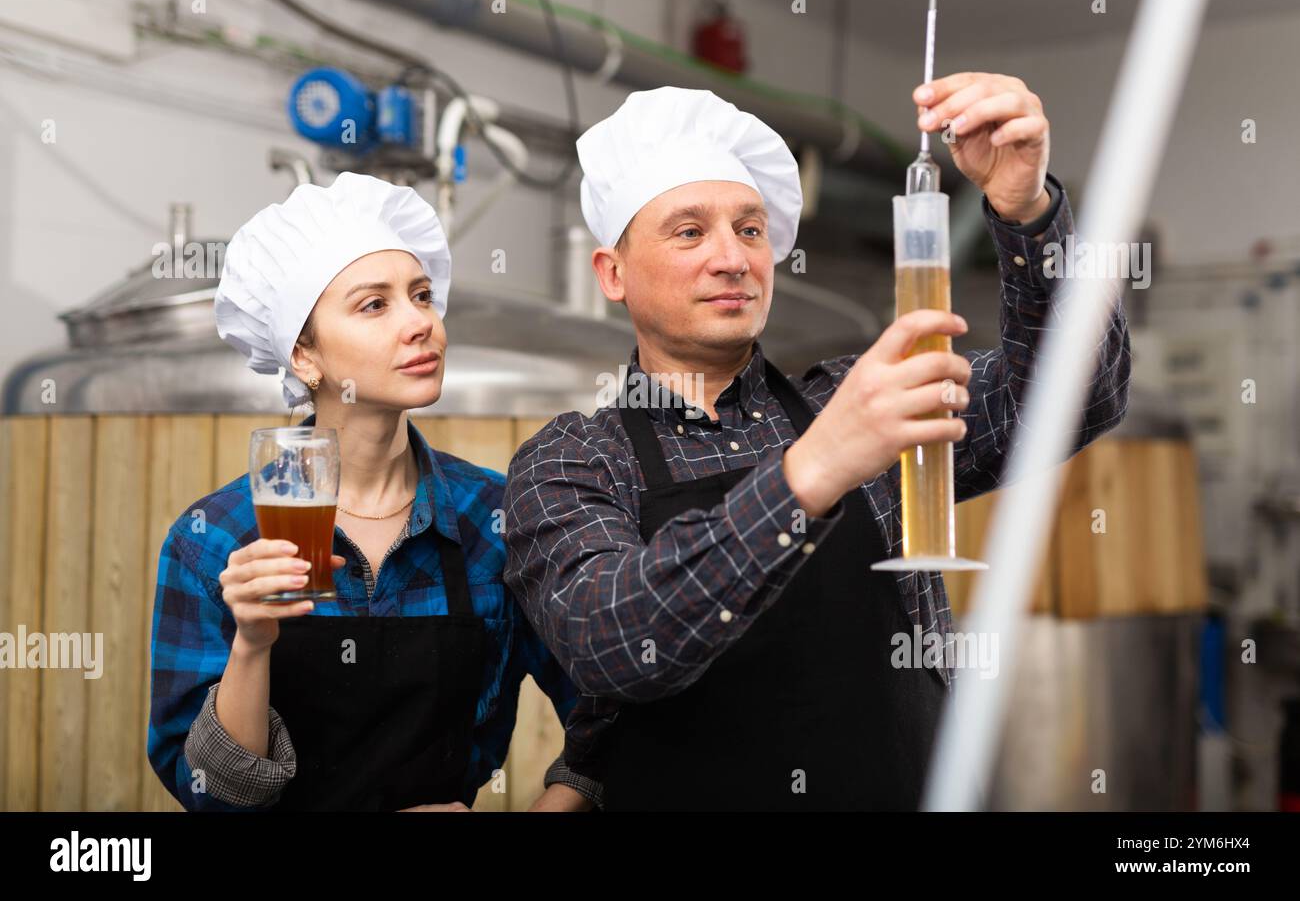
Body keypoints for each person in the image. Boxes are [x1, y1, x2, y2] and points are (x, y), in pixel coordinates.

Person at [504, 81, 1131, 810]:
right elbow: (612, 641)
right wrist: (814, 469)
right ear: (612, 273)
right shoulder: (574, 460)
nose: (732, 258)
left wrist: (1028, 212)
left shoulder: (861, 398)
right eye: (689, 232)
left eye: (750, 229)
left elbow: (1077, 396)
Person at [148, 172, 598, 811]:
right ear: (304, 356)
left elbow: (607, 714)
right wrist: (251, 643)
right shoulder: (213, 539)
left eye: (422, 295)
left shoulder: (498, 518)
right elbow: (212, 797)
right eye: (374, 305)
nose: (420, 323)